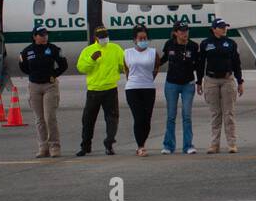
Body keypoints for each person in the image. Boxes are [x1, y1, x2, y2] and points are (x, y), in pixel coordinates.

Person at [76, 25, 126, 156]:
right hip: (94, 90)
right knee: (88, 120)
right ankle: (85, 146)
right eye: (101, 37)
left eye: (106, 36)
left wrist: (127, 70)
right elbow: (81, 68)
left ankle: (109, 143)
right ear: (95, 38)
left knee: (112, 119)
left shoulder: (115, 49)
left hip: (110, 89)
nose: (104, 39)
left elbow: (124, 65)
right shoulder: (88, 50)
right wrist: (92, 59)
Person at [19, 26, 68, 158]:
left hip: (49, 85)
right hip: (34, 86)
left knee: (49, 117)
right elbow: (23, 67)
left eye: (46, 34)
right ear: (35, 36)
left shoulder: (53, 49)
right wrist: (34, 76)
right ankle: (43, 147)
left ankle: (54, 146)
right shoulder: (27, 51)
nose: (45, 37)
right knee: (39, 119)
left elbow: (63, 65)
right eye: (41, 34)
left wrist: (54, 75)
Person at [199, 18, 243, 153]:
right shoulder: (206, 43)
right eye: (221, 27)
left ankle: (232, 143)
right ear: (214, 29)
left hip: (227, 79)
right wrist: (198, 81)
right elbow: (201, 63)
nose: (224, 29)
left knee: (229, 113)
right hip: (211, 80)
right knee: (215, 114)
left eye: (225, 27)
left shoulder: (230, 43)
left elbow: (236, 63)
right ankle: (214, 144)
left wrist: (240, 81)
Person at [160, 21, 201, 154]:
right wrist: (151, 66)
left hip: (188, 84)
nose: (185, 33)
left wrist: (199, 82)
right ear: (175, 32)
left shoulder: (193, 46)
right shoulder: (169, 44)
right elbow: (164, 59)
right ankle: (168, 146)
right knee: (171, 116)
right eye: (182, 31)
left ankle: (188, 145)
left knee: (187, 115)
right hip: (171, 84)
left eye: (186, 30)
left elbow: (199, 65)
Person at [124, 25, 160, 157]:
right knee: (138, 117)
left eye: (145, 38)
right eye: (140, 38)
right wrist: (134, 80)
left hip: (148, 88)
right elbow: (126, 71)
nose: (143, 40)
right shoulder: (127, 53)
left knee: (147, 119)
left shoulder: (153, 52)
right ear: (135, 39)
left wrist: (148, 79)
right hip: (132, 88)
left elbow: (156, 68)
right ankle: (140, 146)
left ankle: (142, 142)